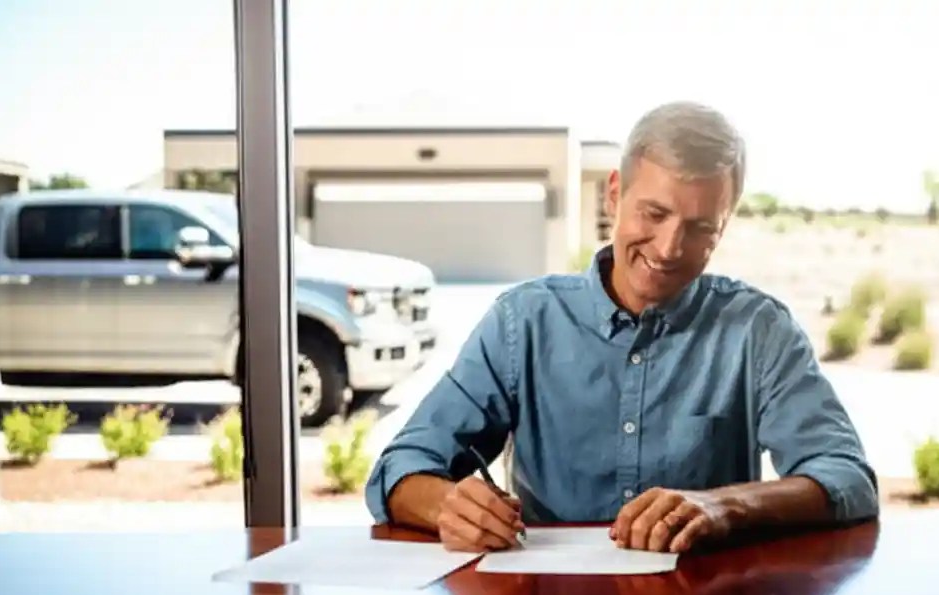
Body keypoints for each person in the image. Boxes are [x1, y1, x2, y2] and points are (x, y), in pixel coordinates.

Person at [364, 101, 879, 553]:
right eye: (654, 213)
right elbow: (401, 468)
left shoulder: (758, 331)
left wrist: (725, 507)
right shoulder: (522, 323)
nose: (669, 248)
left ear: (724, 225)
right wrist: (450, 506)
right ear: (614, 195)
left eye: (701, 228)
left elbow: (847, 478)